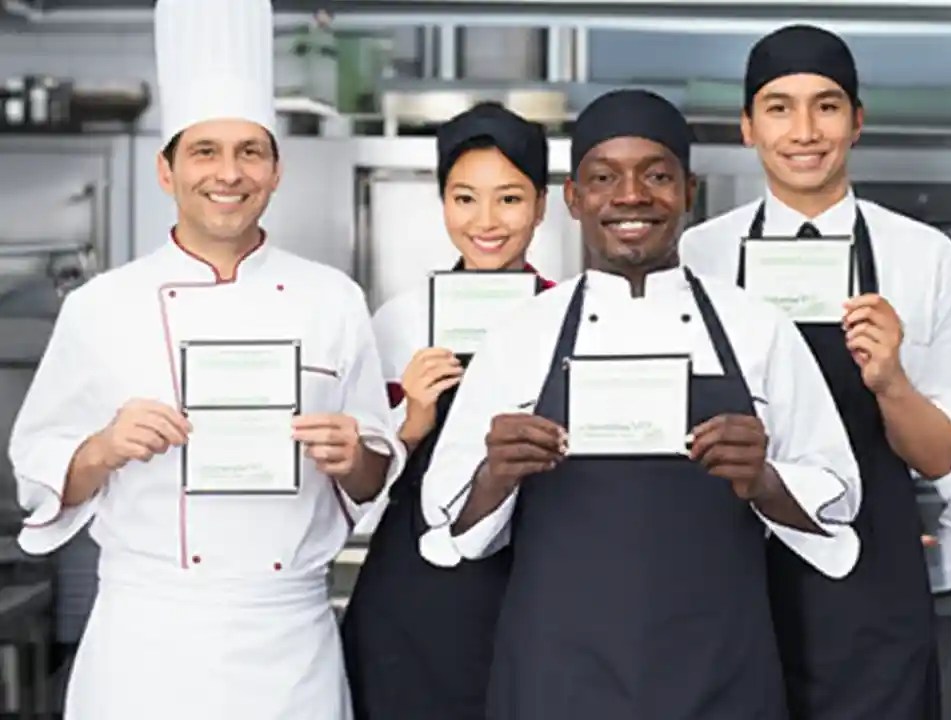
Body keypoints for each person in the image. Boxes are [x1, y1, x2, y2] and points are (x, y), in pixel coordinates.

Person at [7, 1, 403, 717]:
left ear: (276, 169)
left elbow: (371, 477)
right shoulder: (101, 306)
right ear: (167, 171)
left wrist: (356, 454)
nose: (229, 173)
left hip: (289, 642)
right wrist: (101, 449)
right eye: (205, 152)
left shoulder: (332, 300)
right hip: (146, 638)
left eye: (250, 151)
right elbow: (38, 471)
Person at [421, 88, 863, 718]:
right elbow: (446, 533)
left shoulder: (756, 327)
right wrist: (496, 474)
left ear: (688, 190)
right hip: (558, 676)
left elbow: (839, 503)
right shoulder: (522, 333)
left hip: (720, 673)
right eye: (604, 178)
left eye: (656, 176)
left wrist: (764, 480)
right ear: (574, 198)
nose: (631, 196)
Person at [680, 24, 951, 720]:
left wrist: (891, 380)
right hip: (732, 563)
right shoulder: (698, 252)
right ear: (748, 127)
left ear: (858, 121)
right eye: (779, 107)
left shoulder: (923, 256)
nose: (805, 130)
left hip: (872, 569)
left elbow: (938, 454)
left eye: (827, 105)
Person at [341, 101, 555, 720]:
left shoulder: (571, 316)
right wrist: (410, 421)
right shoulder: (398, 321)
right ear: (442, 205)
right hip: (420, 599)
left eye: (510, 199)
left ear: (541, 205)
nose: (485, 221)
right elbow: (356, 493)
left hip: (537, 584)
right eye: (465, 199)